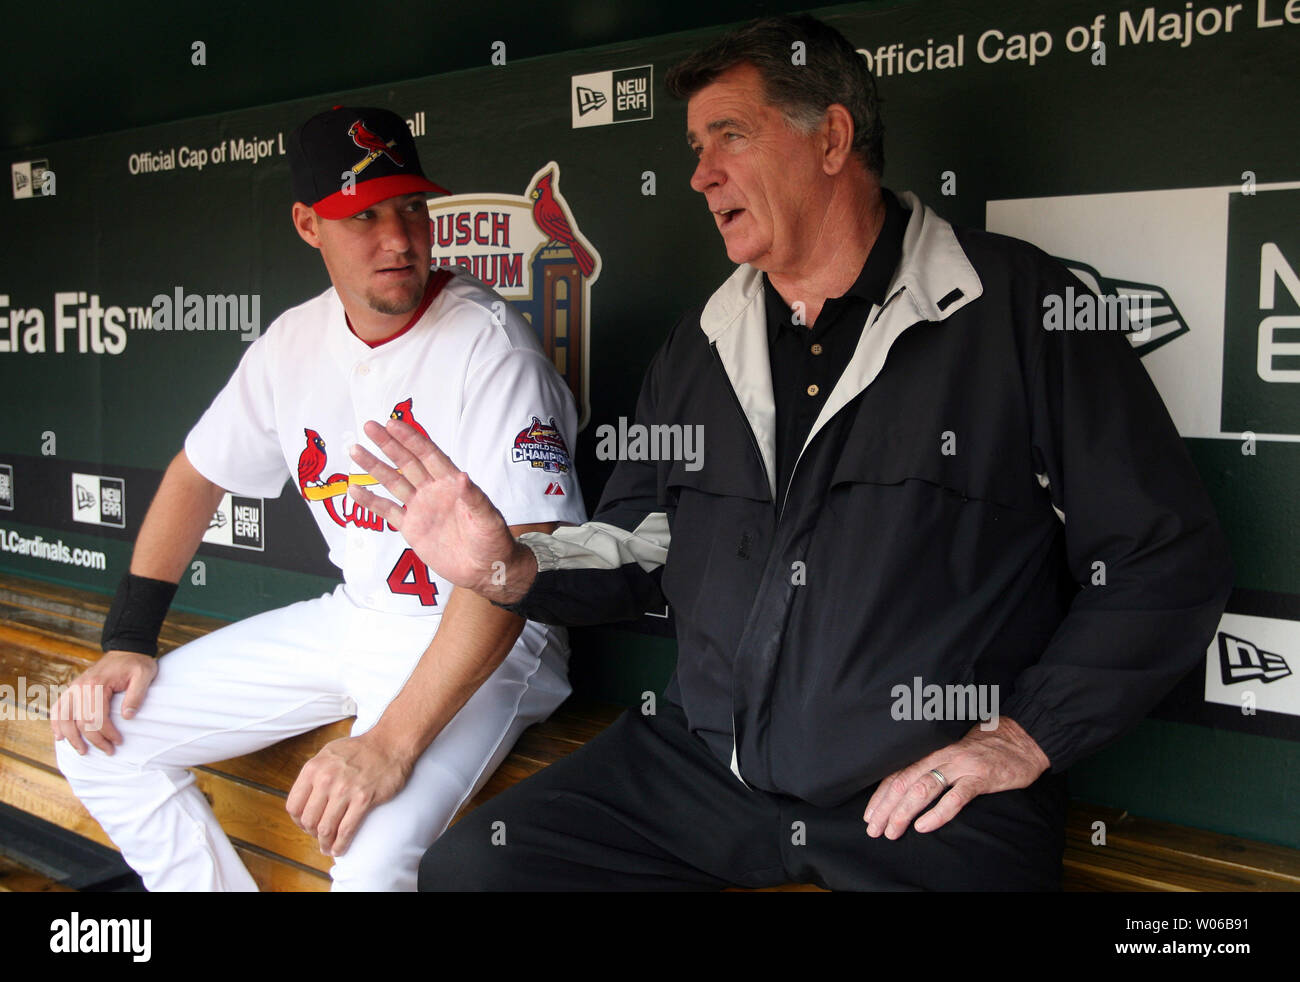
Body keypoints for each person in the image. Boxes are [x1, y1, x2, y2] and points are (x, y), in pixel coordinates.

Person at [350, 15, 1234, 891]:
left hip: (922, 801)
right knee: (477, 872)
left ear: (832, 138)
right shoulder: (703, 344)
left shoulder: (1015, 307)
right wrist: (509, 565)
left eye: (729, 136)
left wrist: (1025, 736)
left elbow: (1163, 555)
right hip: (708, 771)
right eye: (695, 146)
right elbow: (638, 544)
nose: (700, 175)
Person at [51, 106, 586, 891]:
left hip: (489, 638)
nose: (398, 238)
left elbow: (521, 572)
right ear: (308, 223)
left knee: (369, 863)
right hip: (359, 615)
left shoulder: (489, 347)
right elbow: (196, 474)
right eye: (363, 215)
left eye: (410, 207)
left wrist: (390, 746)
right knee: (95, 738)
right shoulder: (291, 342)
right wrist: (129, 638)